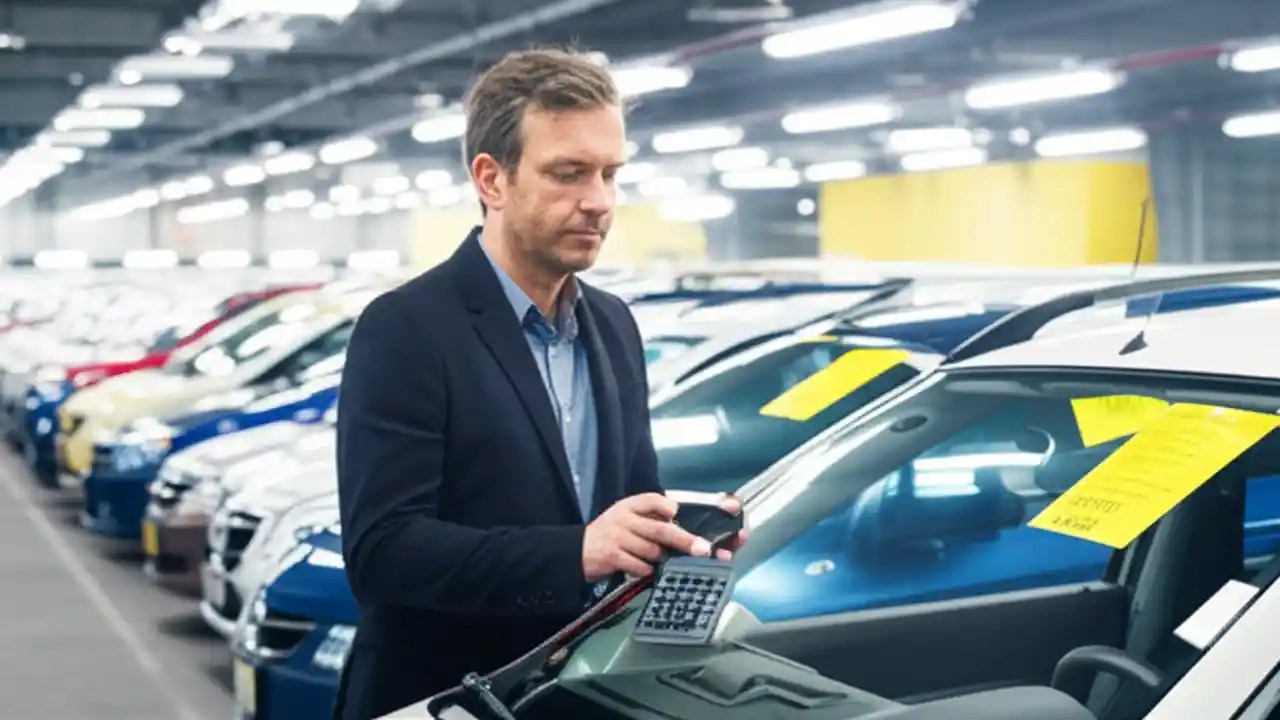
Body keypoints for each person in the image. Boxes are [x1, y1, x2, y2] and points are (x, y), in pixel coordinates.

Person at [333, 47, 745, 720]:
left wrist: (682, 537)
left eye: (611, 174)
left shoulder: (613, 326)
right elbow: (386, 551)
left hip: (576, 695)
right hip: (442, 698)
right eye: (568, 174)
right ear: (492, 180)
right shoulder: (406, 328)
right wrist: (575, 552)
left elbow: (628, 505)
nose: (599, 202)